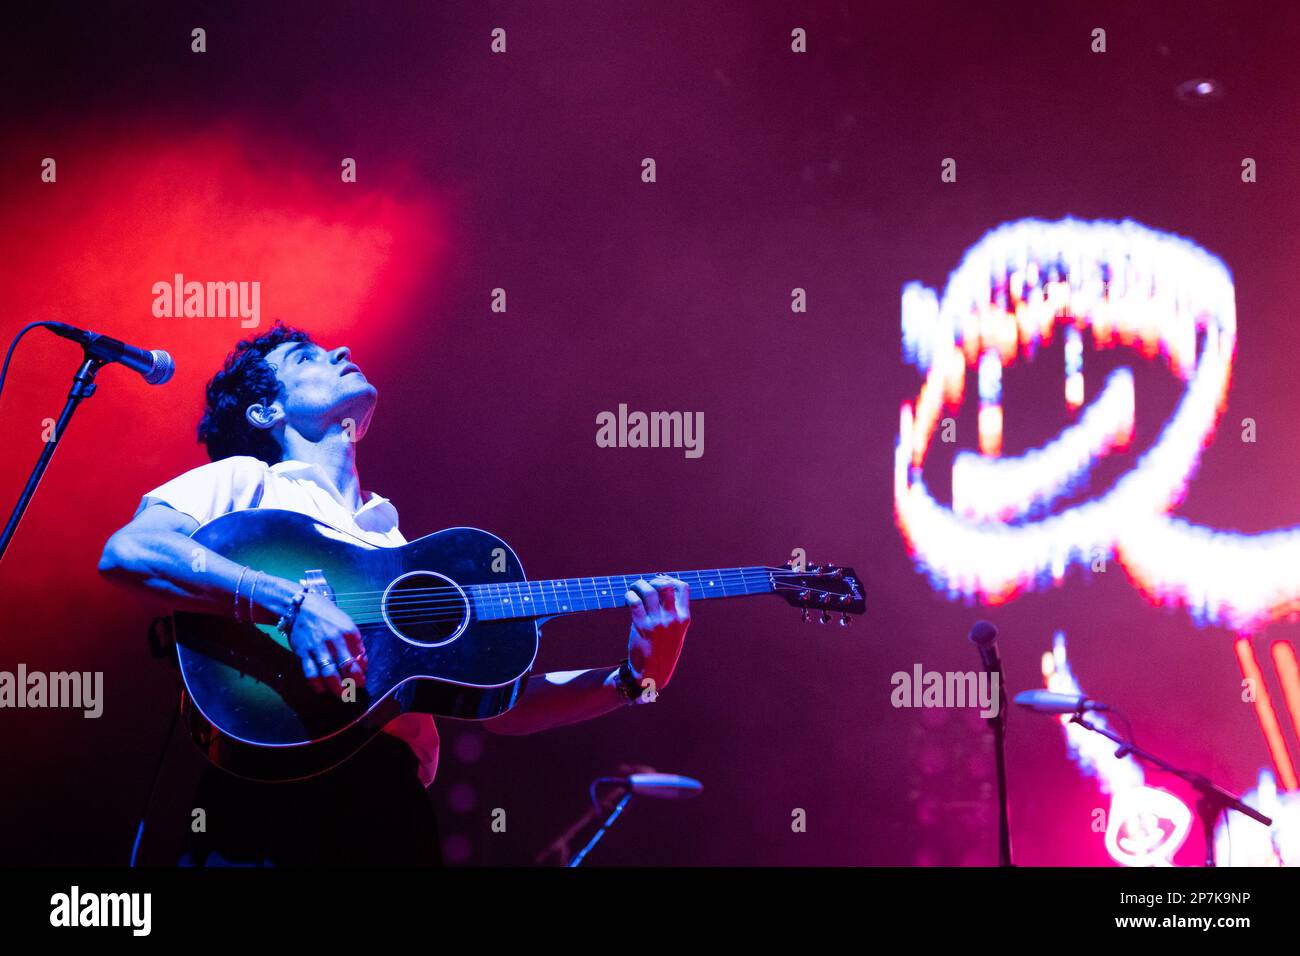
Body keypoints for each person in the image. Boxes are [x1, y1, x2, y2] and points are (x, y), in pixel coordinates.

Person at [98, 321, 691, 865]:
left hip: (390, 815)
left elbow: (499, 709)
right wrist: (291, 603)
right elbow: (131, 552)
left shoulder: (394, 544)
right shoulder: (245, 481)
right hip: (266, 797)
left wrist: (636, 678)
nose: (341, 351)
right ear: (265, 412)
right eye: (306, 356)